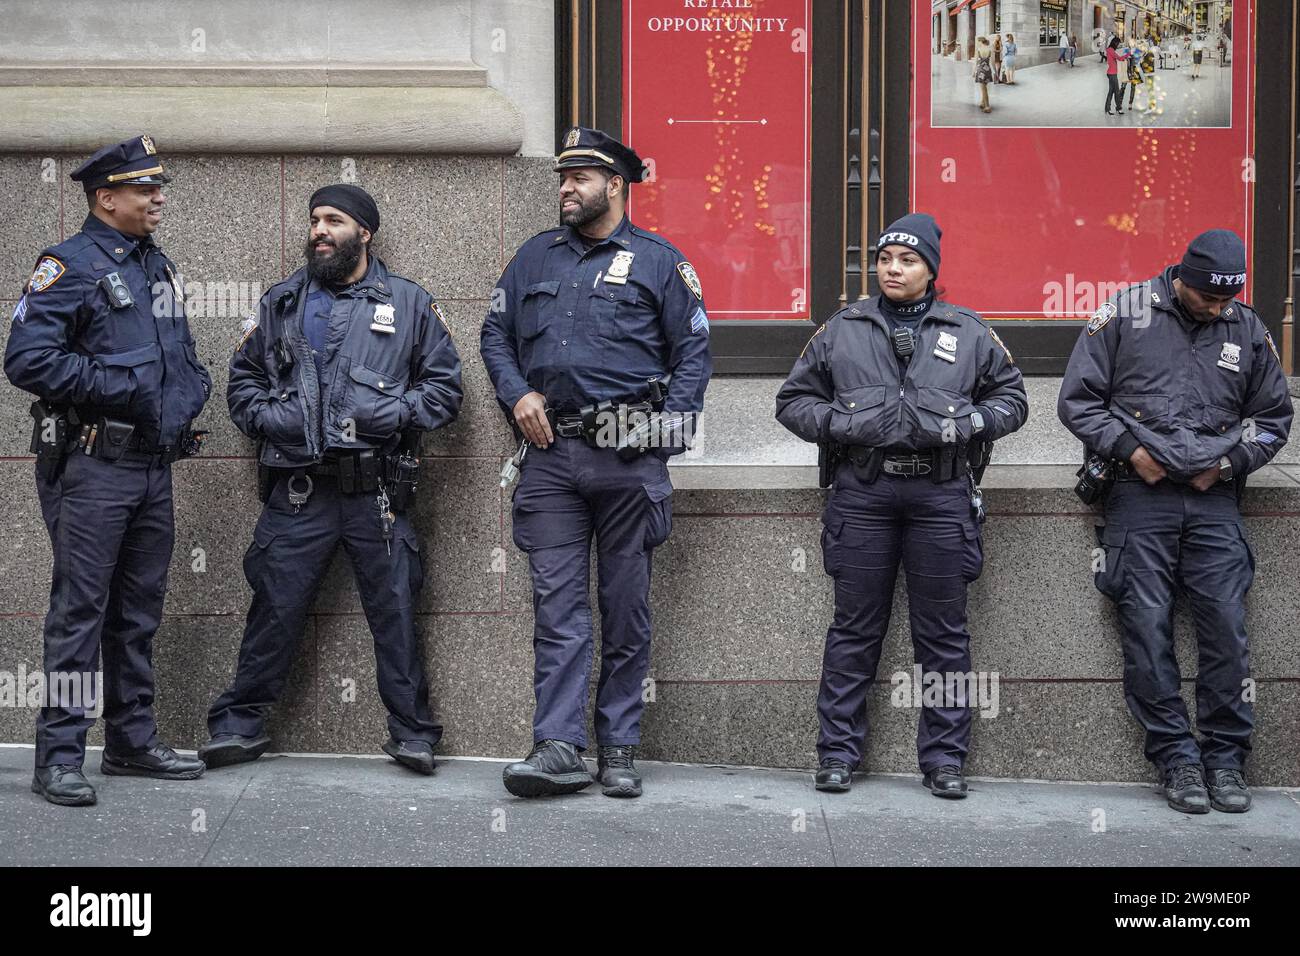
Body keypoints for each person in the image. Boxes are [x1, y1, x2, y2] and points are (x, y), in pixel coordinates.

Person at [200, 184, 463, 776]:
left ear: (364, 233)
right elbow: (240, 386)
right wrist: (279, 420)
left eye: (335, 221)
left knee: (395, 611)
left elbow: (446, 392)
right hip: (299, 493)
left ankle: (413, 733)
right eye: (315, 219)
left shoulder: (410, 304)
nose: (320, 230)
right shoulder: (282, 304)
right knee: (274, 605)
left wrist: (391, 414)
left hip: (377, 493)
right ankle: (238, 726)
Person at [481, 128, 711, 799]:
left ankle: (618, 746)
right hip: (552, 459)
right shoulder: (534, 259)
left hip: (627, 460)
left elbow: (694, 357)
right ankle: (557, 746)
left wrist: (661, 435)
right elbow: (494, 332)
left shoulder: (661, 264)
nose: (566, 188)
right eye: (563, 177)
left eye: (580, 177)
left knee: (625, 607)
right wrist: (516, 392)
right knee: (558, 609)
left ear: (616, 184)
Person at [775, 214, 1028, 798]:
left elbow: (1013, 399)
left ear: (931, 270)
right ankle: (837, 754)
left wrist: (974, 421)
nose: (893, 268)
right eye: (886, 258)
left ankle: (944, 760)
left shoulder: (967, 332)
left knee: (943, 635)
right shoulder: (844, 328)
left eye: (908, 260)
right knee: (854, 630)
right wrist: (842, 422)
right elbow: (792, 401)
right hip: (863, 495)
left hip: (941, 496)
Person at [5, 135, 212, 806]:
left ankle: (130, 741)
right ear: (106, 198)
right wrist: (120, 384)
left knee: (137, 613)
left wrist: (189, 394)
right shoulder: (67, 265)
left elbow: (176, 356)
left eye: (160, 188)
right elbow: (27, 360)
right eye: (146, 189)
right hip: (92, 465)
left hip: (152, 467)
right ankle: (60, 755)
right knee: (80, 613)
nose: (159, 198)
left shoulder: (156, 265)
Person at [1057, 230, 1292, 815]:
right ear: (1182, 278)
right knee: (1147, 629)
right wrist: (1130, 451)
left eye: (1227, 300)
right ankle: (1177, 760)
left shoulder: (1246, 327)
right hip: (1140, 494)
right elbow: (1077, 400)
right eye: (1209, 298)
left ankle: (1226, 758)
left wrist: (1231, 462)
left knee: (1226, 630)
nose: (1219, 309)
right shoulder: (1124, 312)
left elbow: (1273, 417)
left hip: (1215, 499)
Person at [1105, 36, 1132, 115]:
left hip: (1111, 73)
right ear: (1115, 43)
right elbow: (1119, 58)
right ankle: (1118, 108)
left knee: (1111, 91)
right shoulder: (1111, 50)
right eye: (1118, 43)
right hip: (1112, 74)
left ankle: (1108, 109)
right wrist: (1129, 53)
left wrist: (1124, 58)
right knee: (1116, 91)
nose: (1118, 45)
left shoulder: (1110, 50)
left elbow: (1117, 59)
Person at [973, 36, 994, 114]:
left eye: (978, 41)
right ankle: (982, 103)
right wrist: (995, 71)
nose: (977, 43)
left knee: (983, 89)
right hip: (988, 70)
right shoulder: (989, 49)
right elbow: (992, 62)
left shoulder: (978, 49)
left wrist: (973, 71)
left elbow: (975, 62)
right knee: (984, 87)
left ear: (980, 41)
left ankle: (987, 106)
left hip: (981, 70)